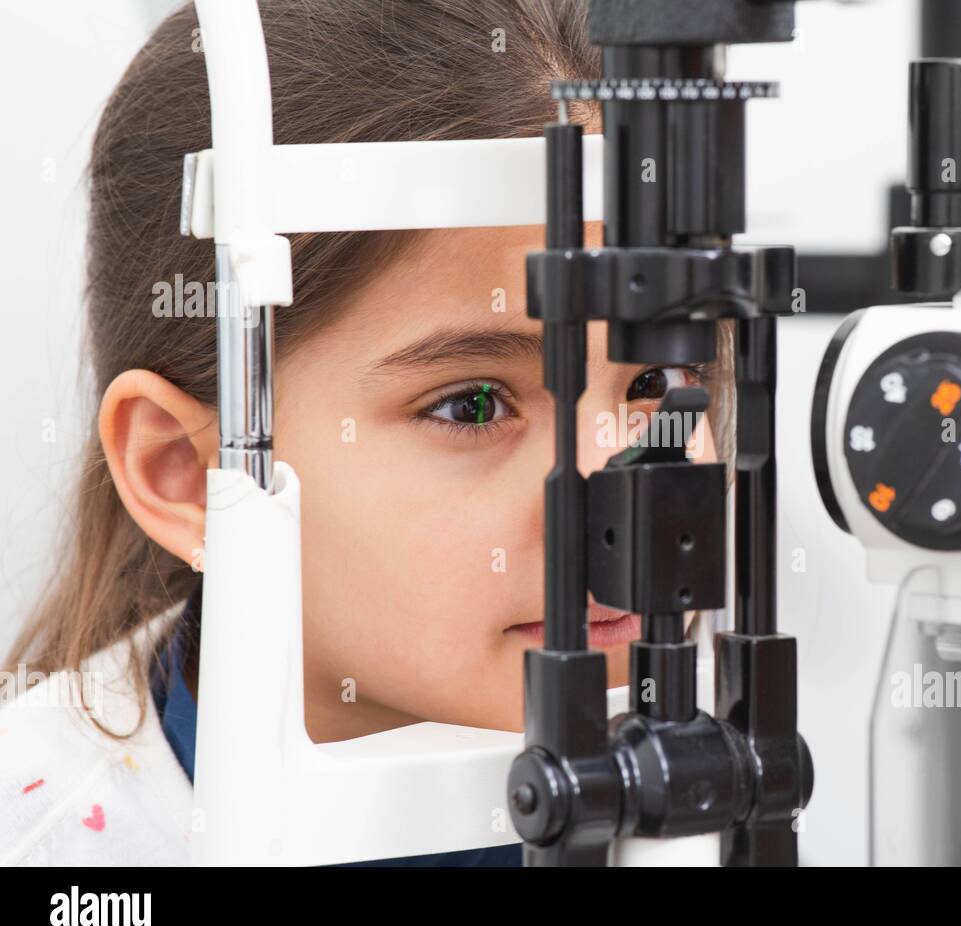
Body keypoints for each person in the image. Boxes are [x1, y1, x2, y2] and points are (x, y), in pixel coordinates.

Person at [0, 0, 729, 867]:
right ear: (185, 474)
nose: (625, 501)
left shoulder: (735, 772)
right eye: (473, 406)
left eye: (658, 383)